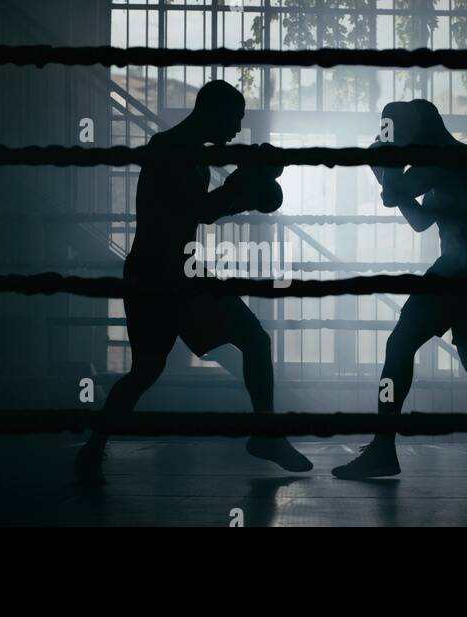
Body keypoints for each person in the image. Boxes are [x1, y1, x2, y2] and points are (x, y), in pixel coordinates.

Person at [75, 80, 312, 485]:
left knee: (147, 370)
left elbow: (201, 210)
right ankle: (266, 435)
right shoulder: (169, 149)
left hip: (157, 273)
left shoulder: (185, 153)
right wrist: (244, 183)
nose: (236, 130)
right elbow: (200, 210)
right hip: (170, 274)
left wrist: (244, 188)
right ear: (213, 112)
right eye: (234, 120)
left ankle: (93, 448)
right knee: (251, 341)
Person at [332, 99, 467, 479]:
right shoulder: (449, 160)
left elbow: (396, 193)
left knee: (399, 345)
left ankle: (382, 448)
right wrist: (386, 171)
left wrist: (384, 164)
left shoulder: (445, 159)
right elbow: (420, 221)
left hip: (460, 270)